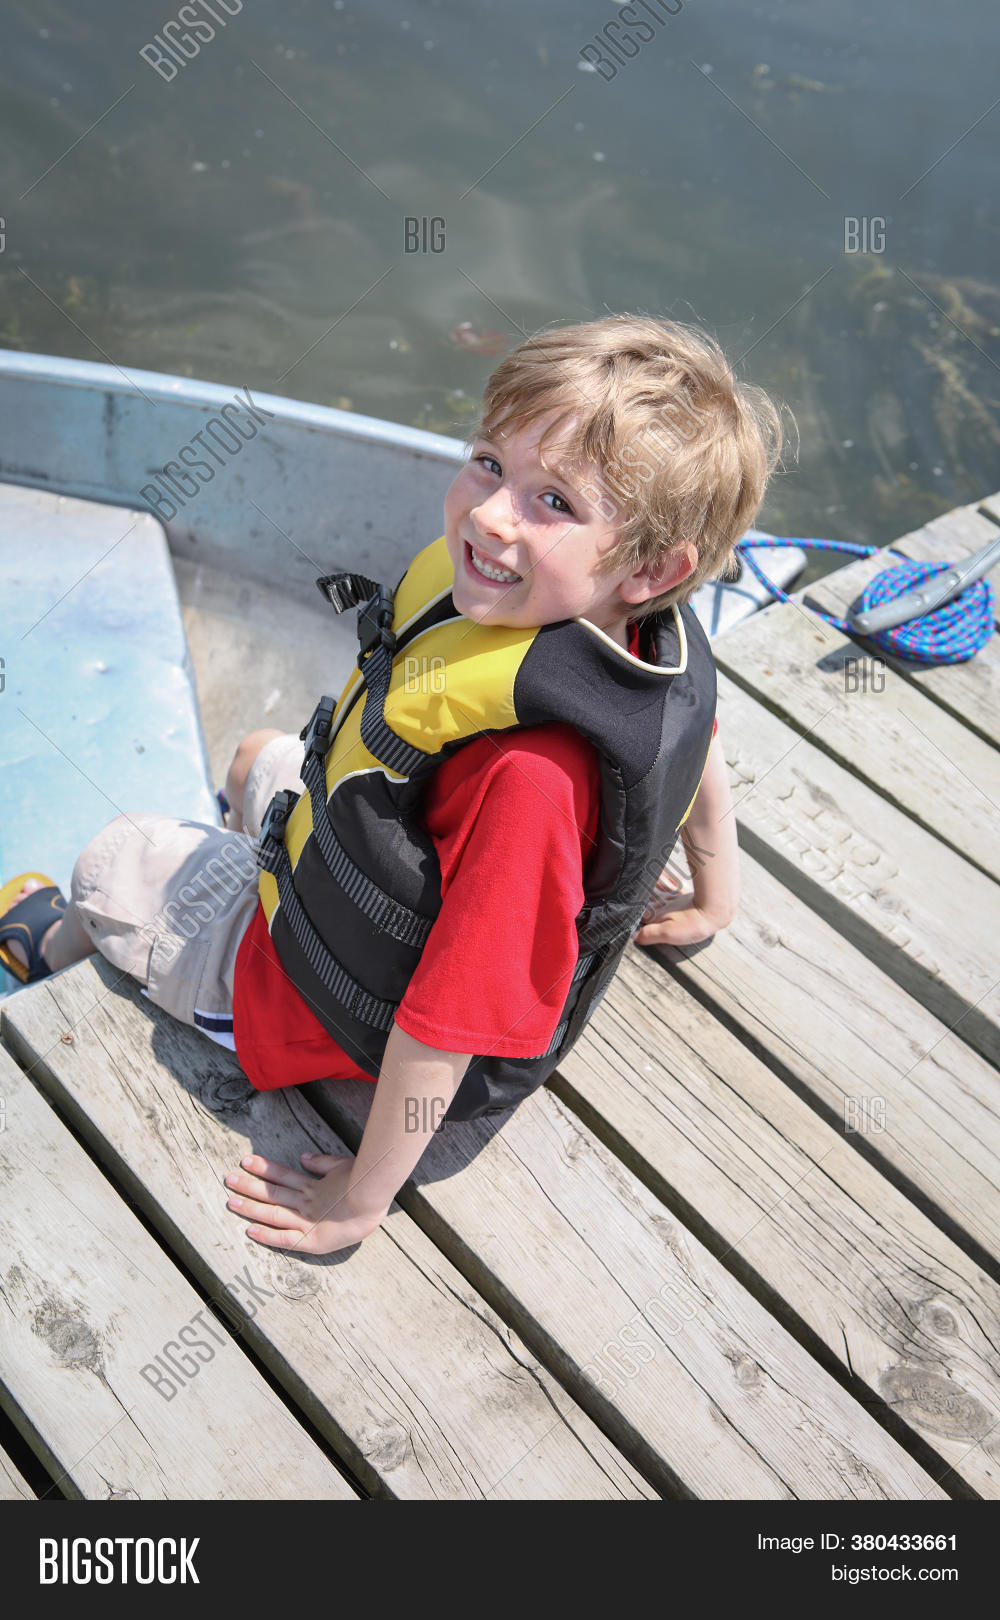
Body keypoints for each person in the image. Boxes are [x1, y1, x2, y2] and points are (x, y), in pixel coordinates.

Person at [0, 314, 782, 1256]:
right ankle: (261, 867)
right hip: (360, 867)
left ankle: (52, 948)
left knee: (113, 856)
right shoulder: (649, 645)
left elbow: (450, 1020)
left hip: (315, 1014)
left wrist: (360, 1202)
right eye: (491, 463)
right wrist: (715, 898)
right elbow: (702, 752)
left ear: (651, 568)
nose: (493, 515)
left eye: (554, 503)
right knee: (256, 755)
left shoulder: (532, 785)